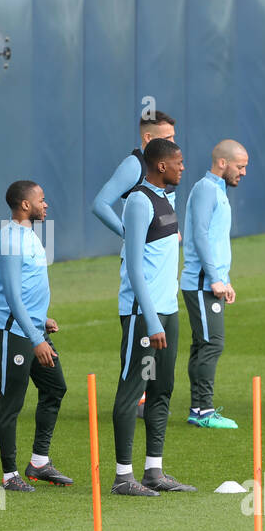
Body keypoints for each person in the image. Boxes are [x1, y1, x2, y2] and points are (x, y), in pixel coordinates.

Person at [110, 138, 194, 496]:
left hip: (167, 312)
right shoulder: (139, 201)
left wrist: (165, 315)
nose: (182, 167)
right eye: (178, 162)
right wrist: (152, 318)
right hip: (143, 315)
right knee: (133, 390)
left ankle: (153, 472)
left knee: (162, 389)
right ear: (161, 166)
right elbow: (133, 267)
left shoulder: (165, 199)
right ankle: (122, 477)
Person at [0, 180, 71, 492]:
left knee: (55, 387)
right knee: (11, 403)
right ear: (25, 205)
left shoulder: (29, 235)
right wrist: (35, 338)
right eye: (41, 199)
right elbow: (12, 297)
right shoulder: (11, 239)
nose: (45, 204)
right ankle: (9, 475)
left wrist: (41, 320)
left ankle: (39, 461)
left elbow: (27, 288)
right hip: (14, 332)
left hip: (31, 327)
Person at [181, 140, 247, 430]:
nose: (243, 172)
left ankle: (198, 409)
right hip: (201, 282)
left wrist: (225, 279)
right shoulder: (206, 189)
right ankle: (204, 411)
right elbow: (200, 235)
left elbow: (216, 241)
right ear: (223, 162)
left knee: (202, 344)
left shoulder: (218, 191)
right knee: (211, 343)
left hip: (210, 280)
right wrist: (215, 278)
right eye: (240, 166)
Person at [92, 110, 179, 237]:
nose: (173, 142)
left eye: (173, 137)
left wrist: (173, 229)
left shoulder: (166, 163)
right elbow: (100, 205)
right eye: (167, 138)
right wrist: (128, 235)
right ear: (148, 138)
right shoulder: (134, 165)